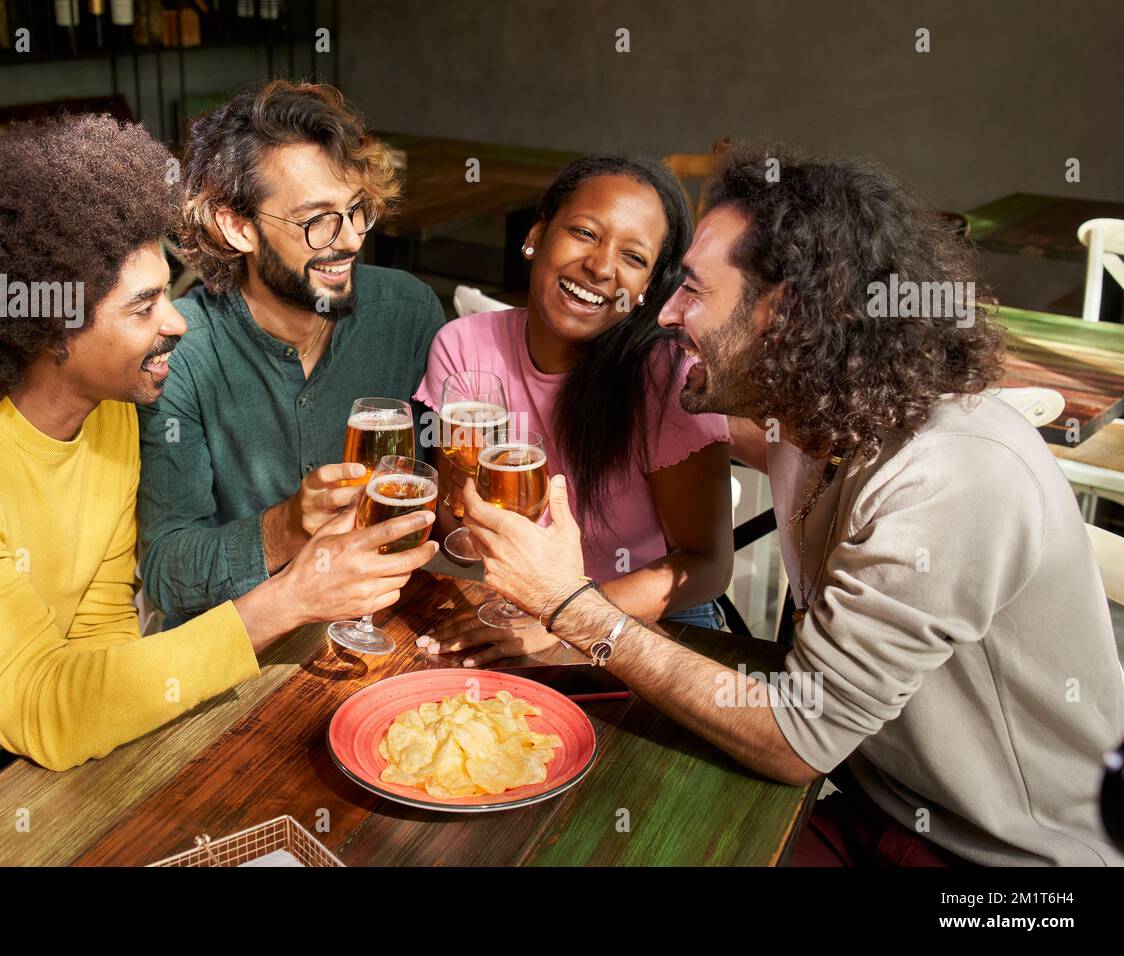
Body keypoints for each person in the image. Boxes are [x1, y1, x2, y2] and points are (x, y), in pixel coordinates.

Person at [457, 143, 1124, 866]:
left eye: (692, 291)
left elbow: (798, 739)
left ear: (788, 315)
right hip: (869, 803)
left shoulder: (950, 477)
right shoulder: (810, 412)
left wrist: (574, 605)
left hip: (1008, 860)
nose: (664, 310)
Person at [0, 116, 436, 867]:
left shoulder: (111, 418)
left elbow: (99, 646)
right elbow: (45, 707)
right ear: (50, 330)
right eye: (143, 307)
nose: (177, 321)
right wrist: (292, 598)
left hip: (42, 749)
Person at [137, 80, 446, 627]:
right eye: (316, 220)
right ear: (236, 226)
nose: (348, 239)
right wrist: (288, 527)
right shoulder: (180, 354)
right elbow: (165, 573)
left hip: (386, 623)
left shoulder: (408, 311)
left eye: (357, 211)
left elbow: (435, 483)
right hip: (246, 658)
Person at [416, 155, 734, 667]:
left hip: (651, 622)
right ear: (536, 235)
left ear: (648, 288)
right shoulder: (462, 347)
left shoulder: (665, 375)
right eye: (585, 232)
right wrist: (463, 510)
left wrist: (566, 617)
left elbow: (708, 565)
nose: (602, 267)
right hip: (511, 609)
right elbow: (458, 531)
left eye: (633, 257)